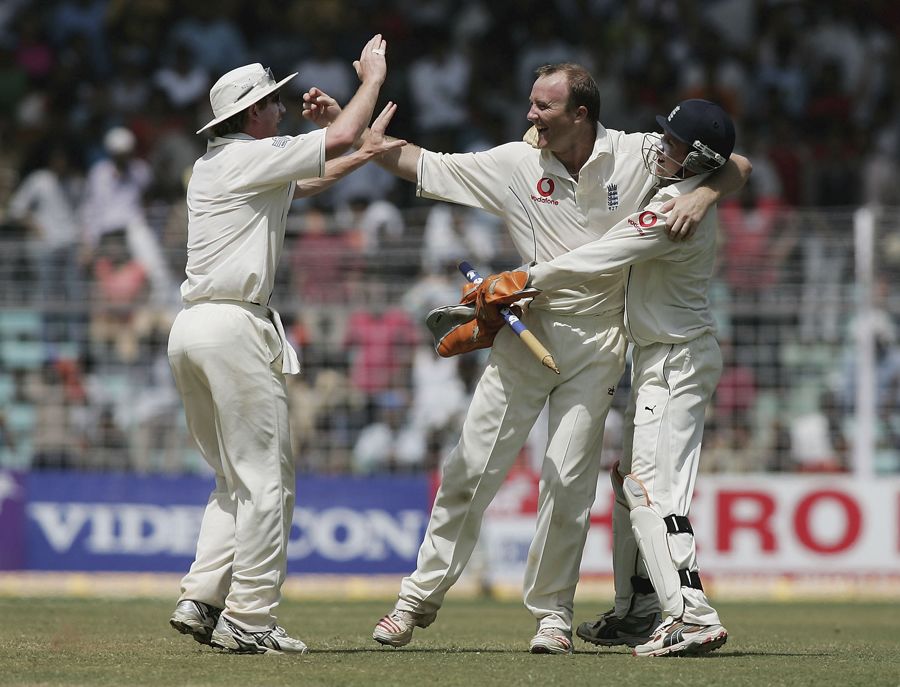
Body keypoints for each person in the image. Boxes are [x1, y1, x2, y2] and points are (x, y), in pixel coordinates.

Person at [303, 64, 749, 654]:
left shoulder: (643, 155)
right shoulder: (516, 161)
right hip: (523, 333)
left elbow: (734, 164)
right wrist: (347, 127)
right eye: (531, 104)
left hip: (597, 343)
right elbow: (420, 162)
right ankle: (415, 600)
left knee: (567, 484)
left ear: (580, 114)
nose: (530, 115)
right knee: (469, 470)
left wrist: (705, 191)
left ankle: (552, 617)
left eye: (543, 107)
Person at [166, 34, 406, 655]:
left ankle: (202, 598)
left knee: (233, 477)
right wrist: (371, 81)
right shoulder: (248, 155)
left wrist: (364, 149)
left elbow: (310, 179)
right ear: (252, 115)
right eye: (272, 100)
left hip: (191, 327)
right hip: (232, 328)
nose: (283, 105)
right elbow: (332, 141)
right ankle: (248, 616)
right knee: (268, 479)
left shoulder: (218, 165)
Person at [479, 99, 744, 656]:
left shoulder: (673, 208)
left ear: (695, 157)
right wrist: (707, 186)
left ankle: (691, 614)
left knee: (651, 487)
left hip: (675, 357)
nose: (660, 149)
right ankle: (639, 609)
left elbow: (597, 257)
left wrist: (521, 277)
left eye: (672, 144)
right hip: (658, 356)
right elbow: (740, 165)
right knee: (630, 481)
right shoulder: (679, 188)